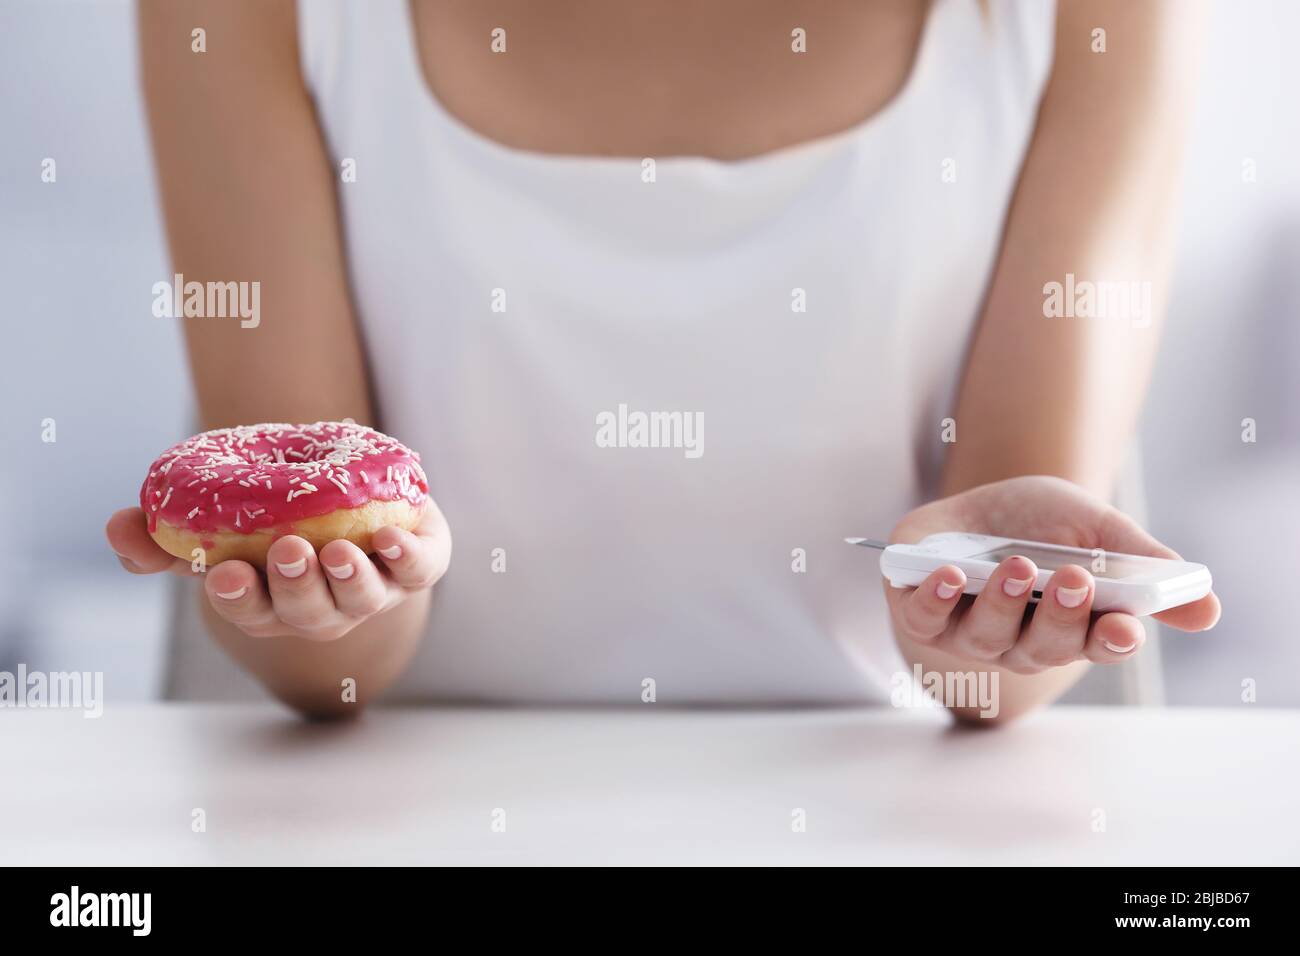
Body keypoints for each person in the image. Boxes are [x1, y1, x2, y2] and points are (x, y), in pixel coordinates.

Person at [107, 0, 1219, 722]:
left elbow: (985, 677)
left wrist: (992, 600)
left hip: (884, 809)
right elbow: (319, 654)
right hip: (377, 810)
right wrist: (324, 593)